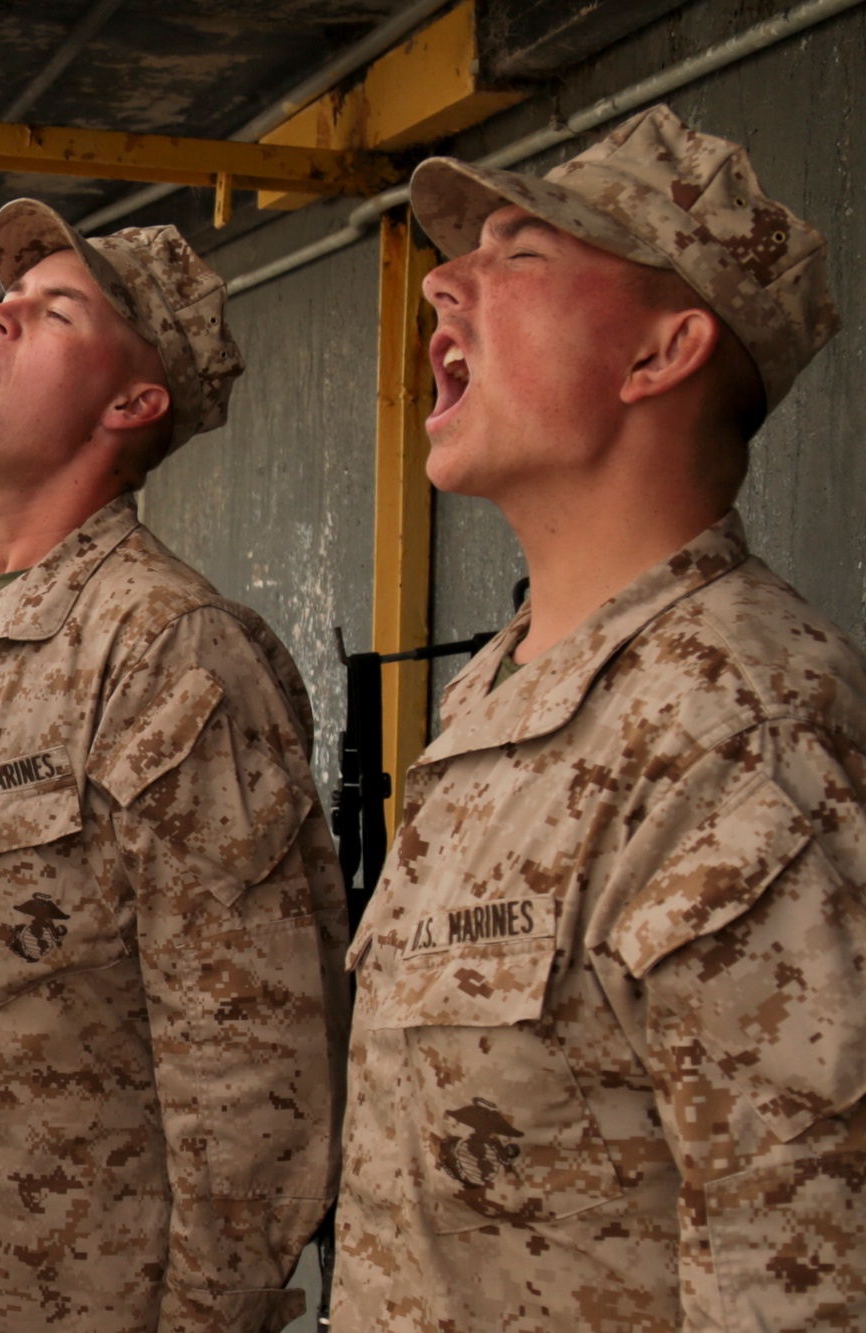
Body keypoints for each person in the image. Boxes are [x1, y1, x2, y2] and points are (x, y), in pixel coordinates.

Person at [332, 105, 860, 1332]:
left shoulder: (743, 732)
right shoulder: (503, 688)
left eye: (518, 256)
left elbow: (796, 1276)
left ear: (658, 354)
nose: (443, 283)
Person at [0, 200, 348, 1331]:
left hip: (88, 1294)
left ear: (132, 401)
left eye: (53, 308)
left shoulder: (172, 651)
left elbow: (249, 1058)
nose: (0, 311)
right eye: (5, 300)